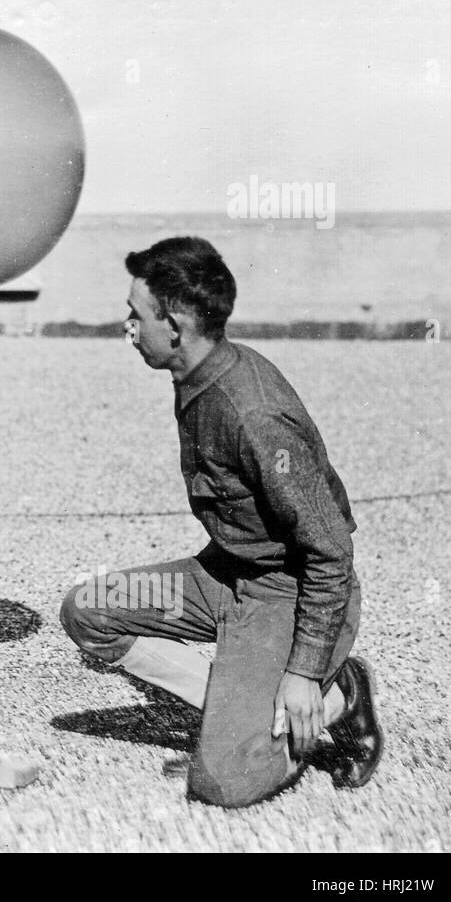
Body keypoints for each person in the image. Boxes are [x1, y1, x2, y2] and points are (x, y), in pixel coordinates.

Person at [59, 236, 383, 807]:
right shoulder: (197, 373)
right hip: (223, 576)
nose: (127, 328)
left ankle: (345, 695)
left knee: (223, 781)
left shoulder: (251, 411)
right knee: (88, 611)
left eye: (136, 316)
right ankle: (236, 715)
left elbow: (331, 553)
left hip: (287, 596)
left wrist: (305, 673)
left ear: (176, 324)